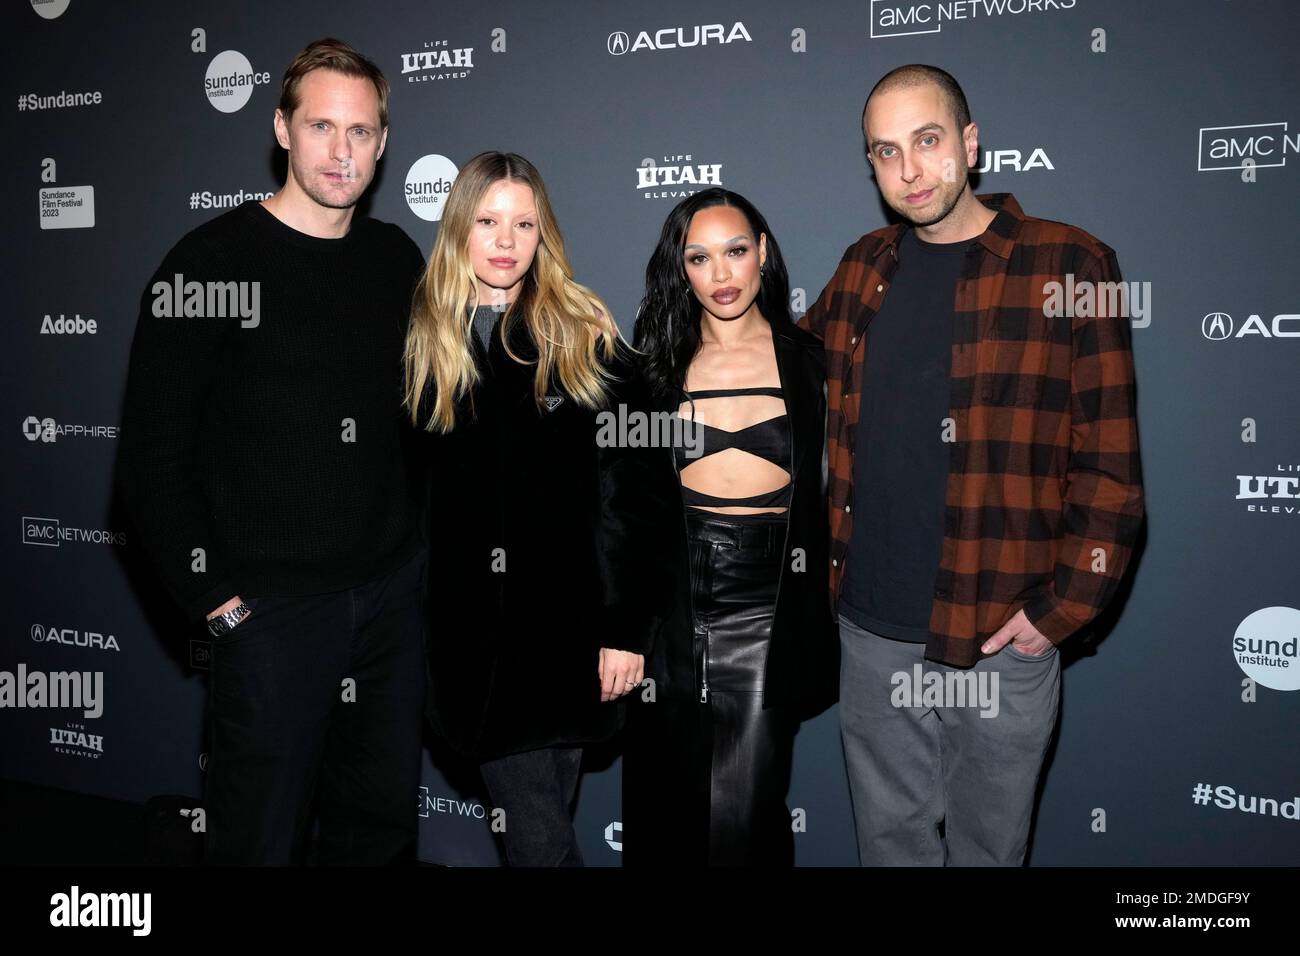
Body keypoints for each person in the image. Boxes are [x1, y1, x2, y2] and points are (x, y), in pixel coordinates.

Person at [799, 64, 1144, 866]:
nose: (909, 171)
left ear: (971, 143)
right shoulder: (863, 266)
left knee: (991, 852)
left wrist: (1059, 613)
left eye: (927, 141)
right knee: (889, 848)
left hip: (998, 631)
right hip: (870, 627)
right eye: (885, 152)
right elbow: (782, 374)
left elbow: (1113, 465)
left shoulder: (1073, 264)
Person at [117, 38, 428, 865]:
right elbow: (149, 459)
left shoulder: (397, 258)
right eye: (321, 125)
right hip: (273, 615)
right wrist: (220, 604)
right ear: (281, 129)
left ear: (384, 142)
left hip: (390, 603)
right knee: (257, 842)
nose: (342, 150)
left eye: (361, 132)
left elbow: (421, 418)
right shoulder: (210, 263)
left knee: (380, 833)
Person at [406, 150, 676, 866]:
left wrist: (627, 627)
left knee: (542, 829)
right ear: (459, 227)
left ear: (543, 234)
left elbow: (637, 494)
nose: (504, 240)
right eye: (488, 220)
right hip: (470, 646)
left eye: (523, 223)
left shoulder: (582, 335)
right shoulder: (427, 344)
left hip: (567, 638)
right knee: (539, 834)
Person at [623, 188, 838, 866]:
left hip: (767, 609)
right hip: (672, 611)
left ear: (763, 254)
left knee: (746, 819)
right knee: (666, 816)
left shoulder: (808, 361)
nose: (721, 275)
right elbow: (625, 508)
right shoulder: (650, 369)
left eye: (736, 251)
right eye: (700, 257)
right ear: (679, 269)